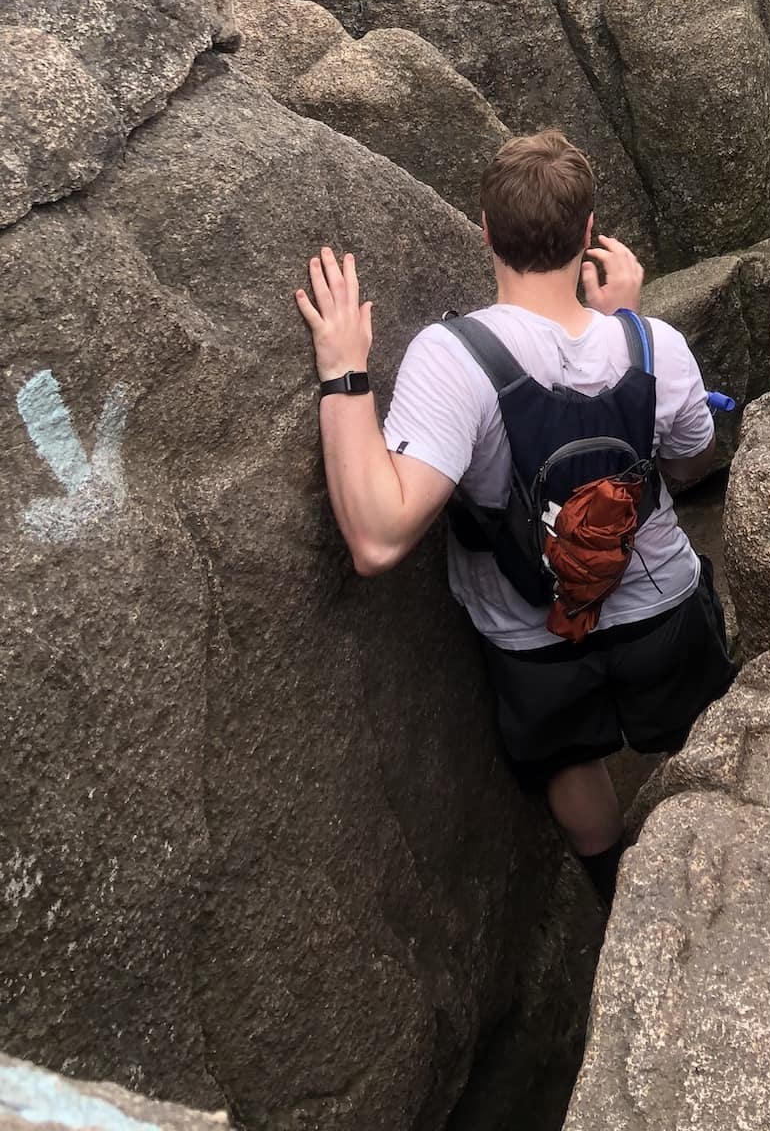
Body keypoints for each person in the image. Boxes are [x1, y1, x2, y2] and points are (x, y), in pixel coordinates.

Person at [293, 128, 736, 907]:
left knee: (571, 762)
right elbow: (693, 451)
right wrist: (630, 324)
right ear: (590, 233)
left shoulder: (453, 356)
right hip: (659, 598)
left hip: (531, 625)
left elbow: (378, 533)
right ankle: (719, 865)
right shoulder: (653, 342)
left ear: (487, 230)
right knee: (703, 729)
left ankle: (615, 899)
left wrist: (343, 369)